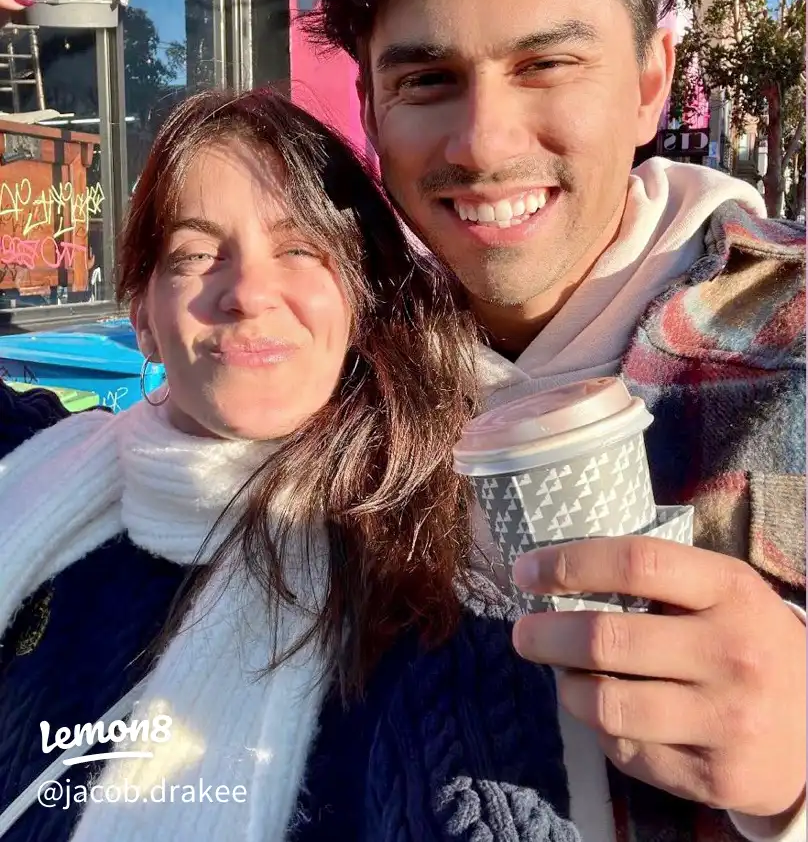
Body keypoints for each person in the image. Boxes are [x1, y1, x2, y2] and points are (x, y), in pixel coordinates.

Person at [305, 0, 806, 842]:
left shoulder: (787, 337)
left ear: (647, 83)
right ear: (372, 113)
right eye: (428, 79)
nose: (483, 143)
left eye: (546, 63)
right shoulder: (316, 362)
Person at [0, 88, 578, 842]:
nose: (246, 293)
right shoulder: (36, 467)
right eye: (197, 254)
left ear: (360, 299)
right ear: (140, 314)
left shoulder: (431, 586)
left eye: (300, 248)